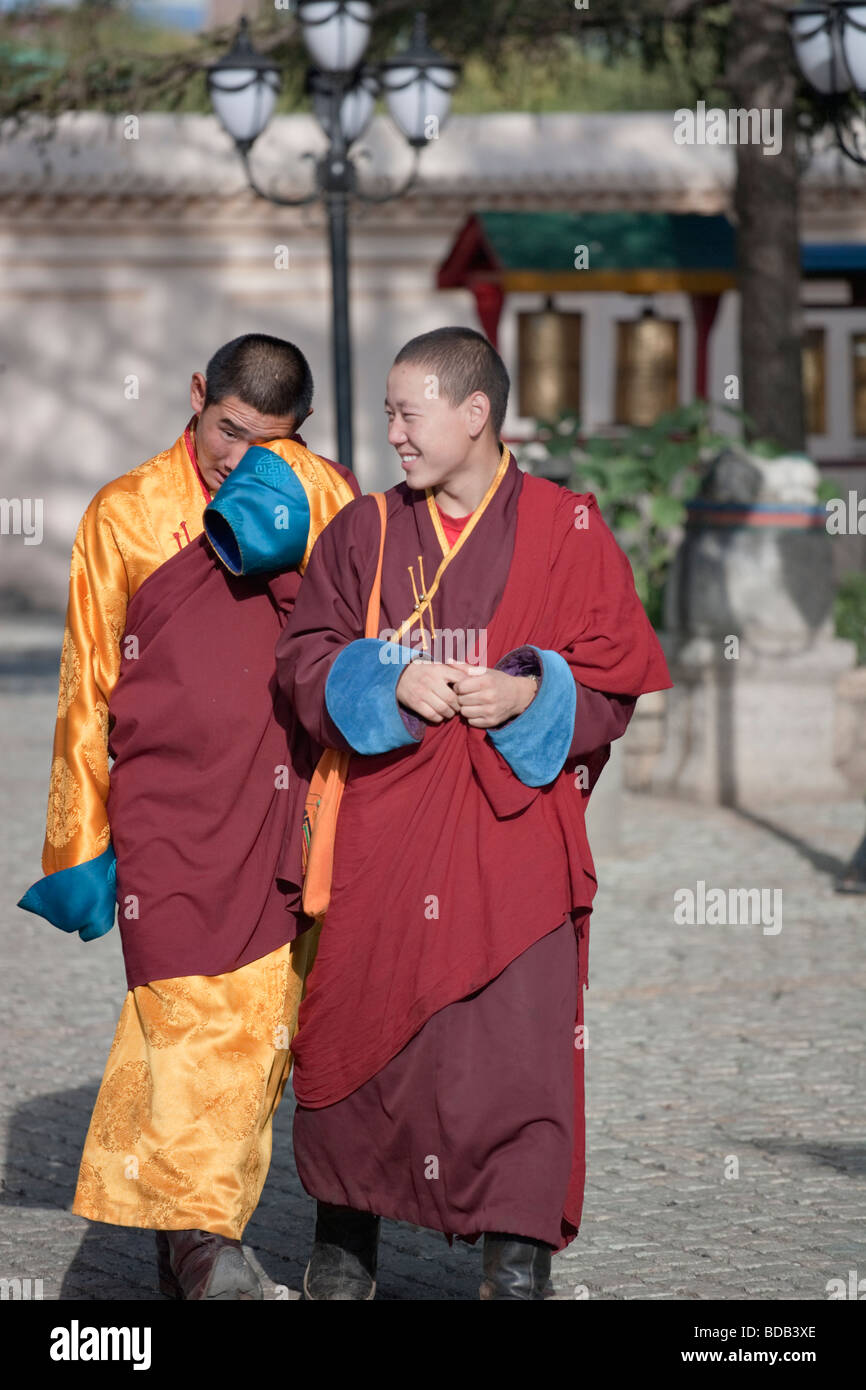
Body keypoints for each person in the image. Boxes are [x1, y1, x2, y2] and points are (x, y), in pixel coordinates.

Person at [275, 325, 672, 1300]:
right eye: (386, 415)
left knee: (517, 1050)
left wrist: (536, 691)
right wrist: (387, 674)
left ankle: (515, 1258)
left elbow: (615, 676)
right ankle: (342, 1240)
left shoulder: (565, 525)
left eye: (408, 413)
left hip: (512, 836)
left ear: (473, 413)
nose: (394, 434)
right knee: (356, 1032)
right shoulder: (363, 531)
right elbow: (300, 659)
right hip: (383, 833)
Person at [18, 333, 358, 1299]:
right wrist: (79, 843)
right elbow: (86, 685)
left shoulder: (322, 494)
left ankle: (194, 1246)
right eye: (227, 431)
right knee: (197, 1013)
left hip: (289, 804)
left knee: (264, 1025)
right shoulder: (125, 513)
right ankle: (204, 1242)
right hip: (168, 810)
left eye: (271, 442)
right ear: (197, 395)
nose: (237, 459)